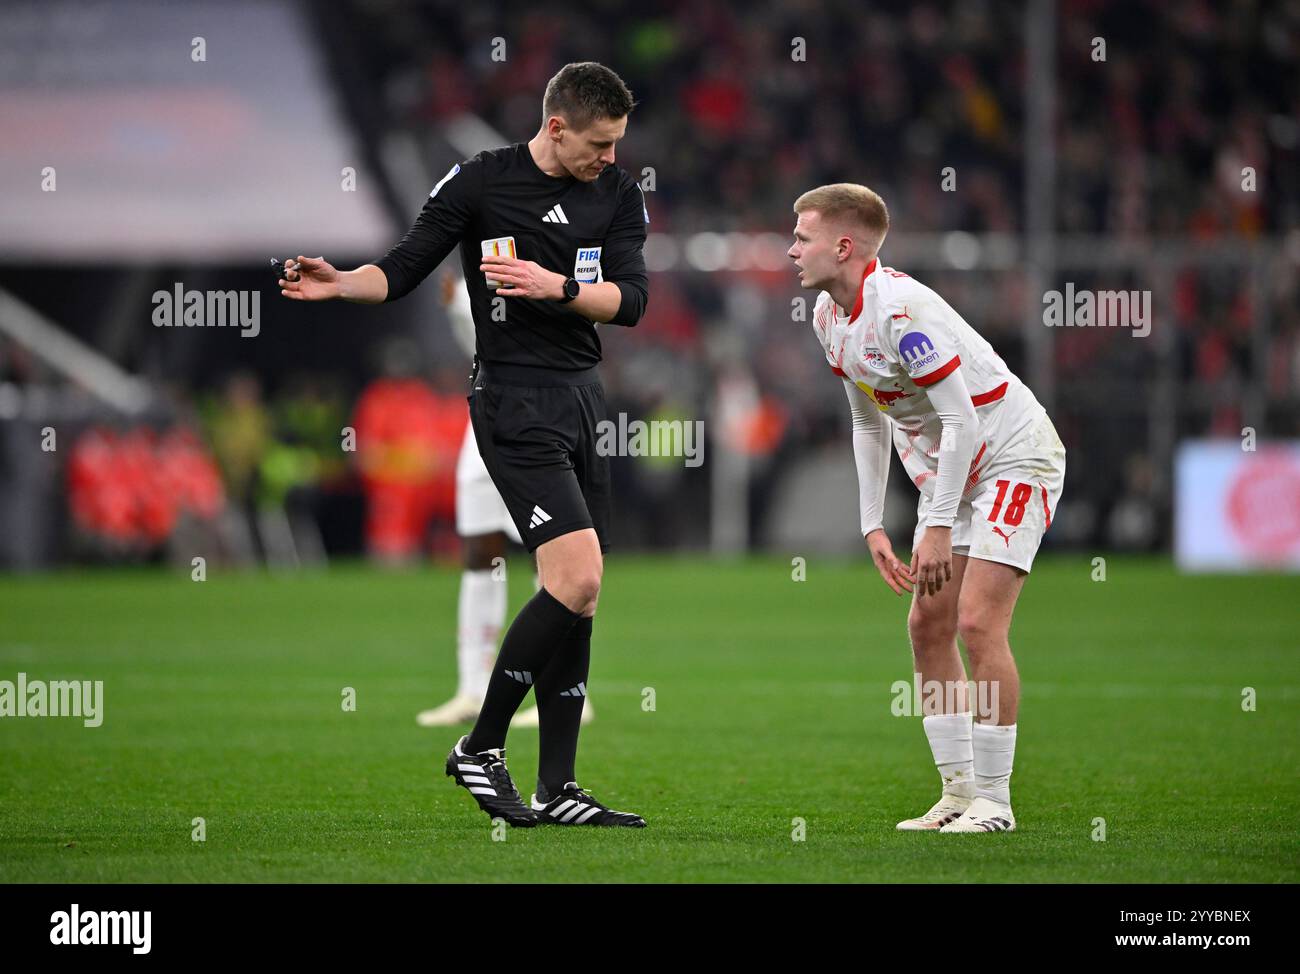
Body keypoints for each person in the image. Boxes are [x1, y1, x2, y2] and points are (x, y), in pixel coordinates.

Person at [278, 62, 647, 828]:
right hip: (513, 401)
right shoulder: (482, 182)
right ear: (555, 126)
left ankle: (558, 787)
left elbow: (633, 301)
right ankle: (481, 747)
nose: (609, 158)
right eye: (599, 143)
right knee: (575, 578)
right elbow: (405, 267)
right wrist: (342, 282)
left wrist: (556, 288)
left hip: (584, 399)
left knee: (580, 592)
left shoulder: (617, 192)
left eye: (616, 144)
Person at [788, 183, 1066, 833]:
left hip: (1010, 458)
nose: (791, 249)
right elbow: (868, 420)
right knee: (926, 627)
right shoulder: (828, 317)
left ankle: (995, 802)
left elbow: (963, 420)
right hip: (954, 471)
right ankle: (958, 791)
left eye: (802, 236)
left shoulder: (901, 313)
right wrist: (872, 524)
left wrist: (934, 526)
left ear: (844, 245)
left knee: (976, 624)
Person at [415, 273, 593, 731]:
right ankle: (472, 688)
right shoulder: (476, 262)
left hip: (538, 422)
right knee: (479, 556)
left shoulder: (546, 261)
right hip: (482, 424)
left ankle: (570, 691)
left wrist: (460, 302)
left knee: (552, 558)